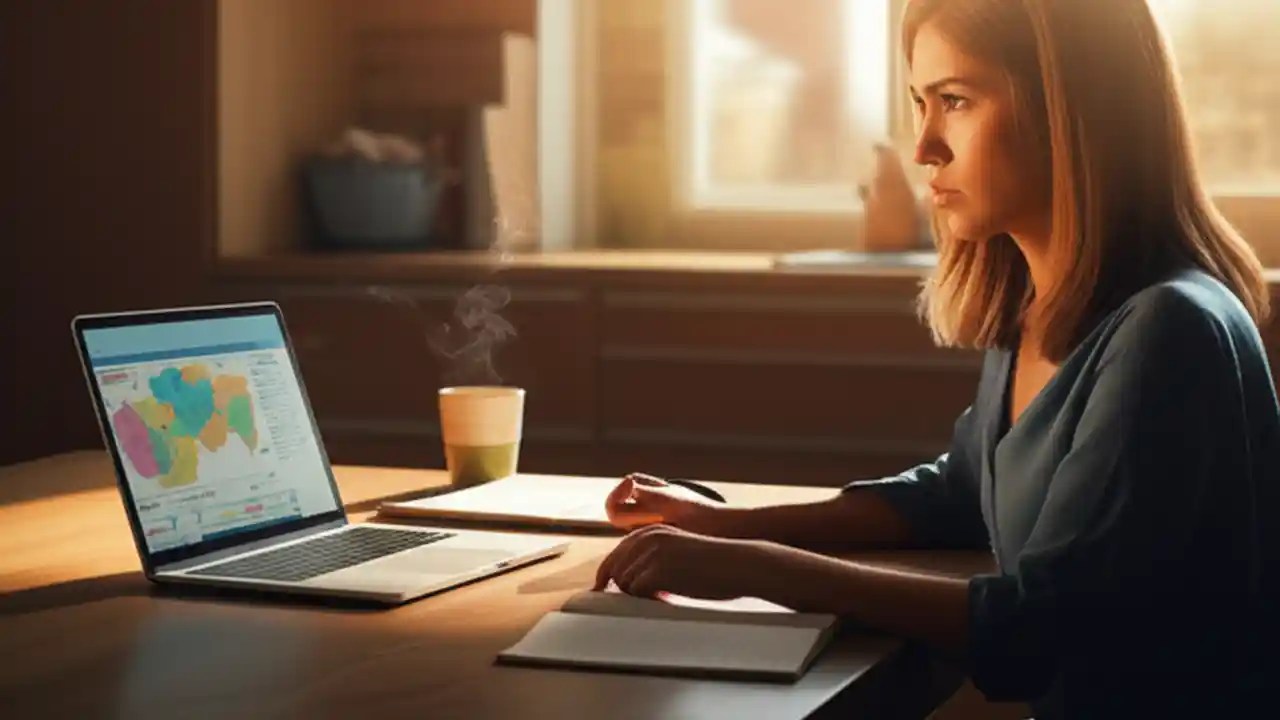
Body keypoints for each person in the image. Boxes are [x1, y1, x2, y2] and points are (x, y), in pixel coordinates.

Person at [593, 0, 1280, 716]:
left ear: (1072, 109)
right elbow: (958, 493)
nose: (924, 147)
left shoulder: (1169, 331)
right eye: (921, 102)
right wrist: (722, 524)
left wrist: (761, 569)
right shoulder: (1042, 307)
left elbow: (1043, 628)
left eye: (955, 101)